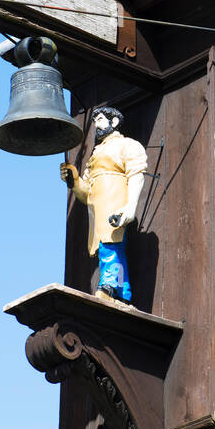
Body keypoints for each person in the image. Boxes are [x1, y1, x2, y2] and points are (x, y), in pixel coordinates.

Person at [60, 107, 147, 305]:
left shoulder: (127, 145)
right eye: (95, 121)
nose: (96, 125)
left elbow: (136, 174)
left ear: (114, 122)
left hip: (114, 200)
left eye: (100, 119)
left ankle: (110, 285)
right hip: (97, 206)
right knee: (104, 246)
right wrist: (73, 180)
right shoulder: (96, 155)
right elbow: (87, 191)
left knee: (111, 244)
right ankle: (123, 292)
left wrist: (130, 207)